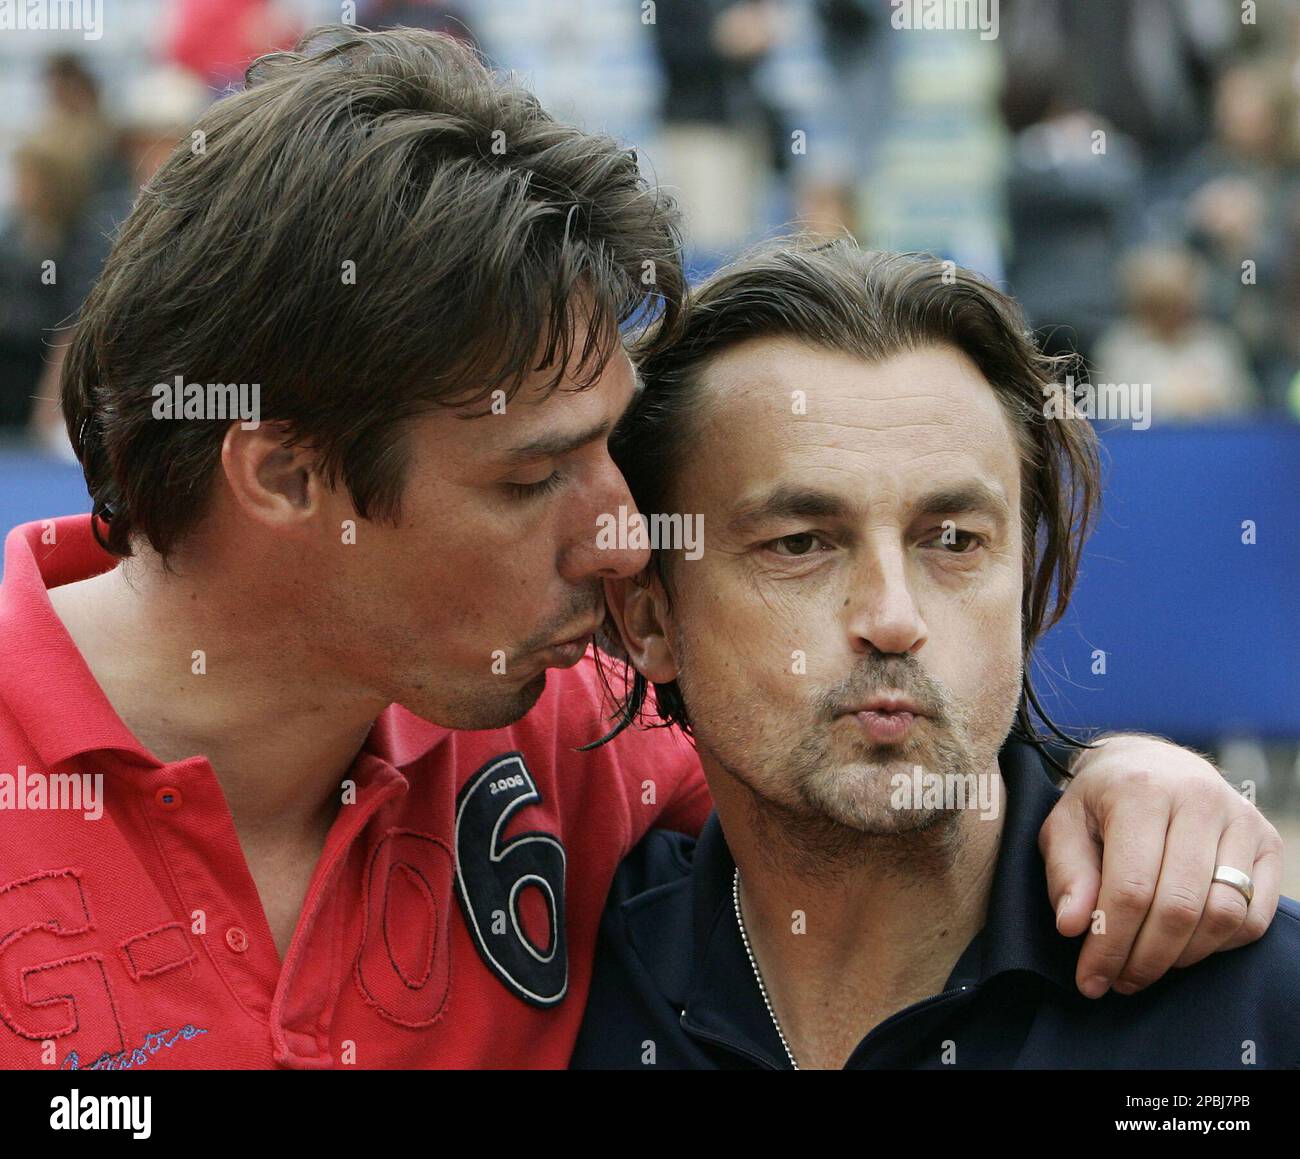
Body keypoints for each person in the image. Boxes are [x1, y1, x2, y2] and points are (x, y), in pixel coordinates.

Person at [0, 27, 1281, 1071]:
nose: (623, 537)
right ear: (283, 474)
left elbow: (879, 757)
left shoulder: (570, 727)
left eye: (610, 448)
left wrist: (1116, 776)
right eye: (534, 477)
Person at [570, 239, 1299, 1069]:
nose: (892, 616)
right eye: (800, 542)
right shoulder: (562, 974)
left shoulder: (1251, 1006)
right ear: (648, 618)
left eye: (953, 540)